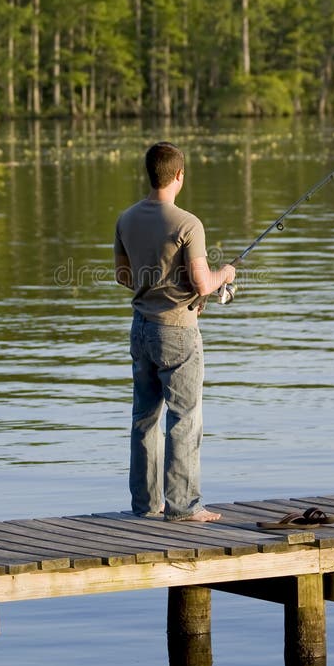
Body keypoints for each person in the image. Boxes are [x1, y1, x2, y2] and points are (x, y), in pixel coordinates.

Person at [114, 141, 236, 522]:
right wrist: (226, 275)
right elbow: (203, 283)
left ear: (149, 174)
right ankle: (183, 507)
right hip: (178, 332)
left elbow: (123, 277)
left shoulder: (126, 219)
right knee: (184, 419)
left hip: (141, 329)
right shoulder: (188, 224)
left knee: (144, 419)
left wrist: (162, 282)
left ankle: (146, 506)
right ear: (179, 175)